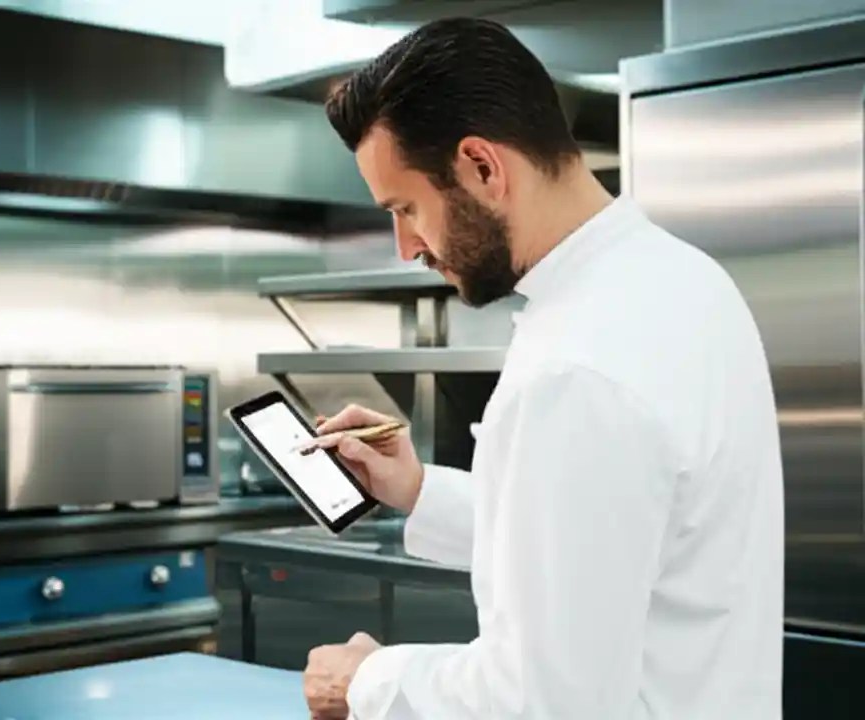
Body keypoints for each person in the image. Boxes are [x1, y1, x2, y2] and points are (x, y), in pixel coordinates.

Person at [299, 17, 784, 720]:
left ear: (483, 167)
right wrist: (417, 489)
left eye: (406, 208)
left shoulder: (575, 369)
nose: (407, 246)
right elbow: (606, 544)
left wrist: (369, 679)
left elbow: (543, 701)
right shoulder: (686, 280)